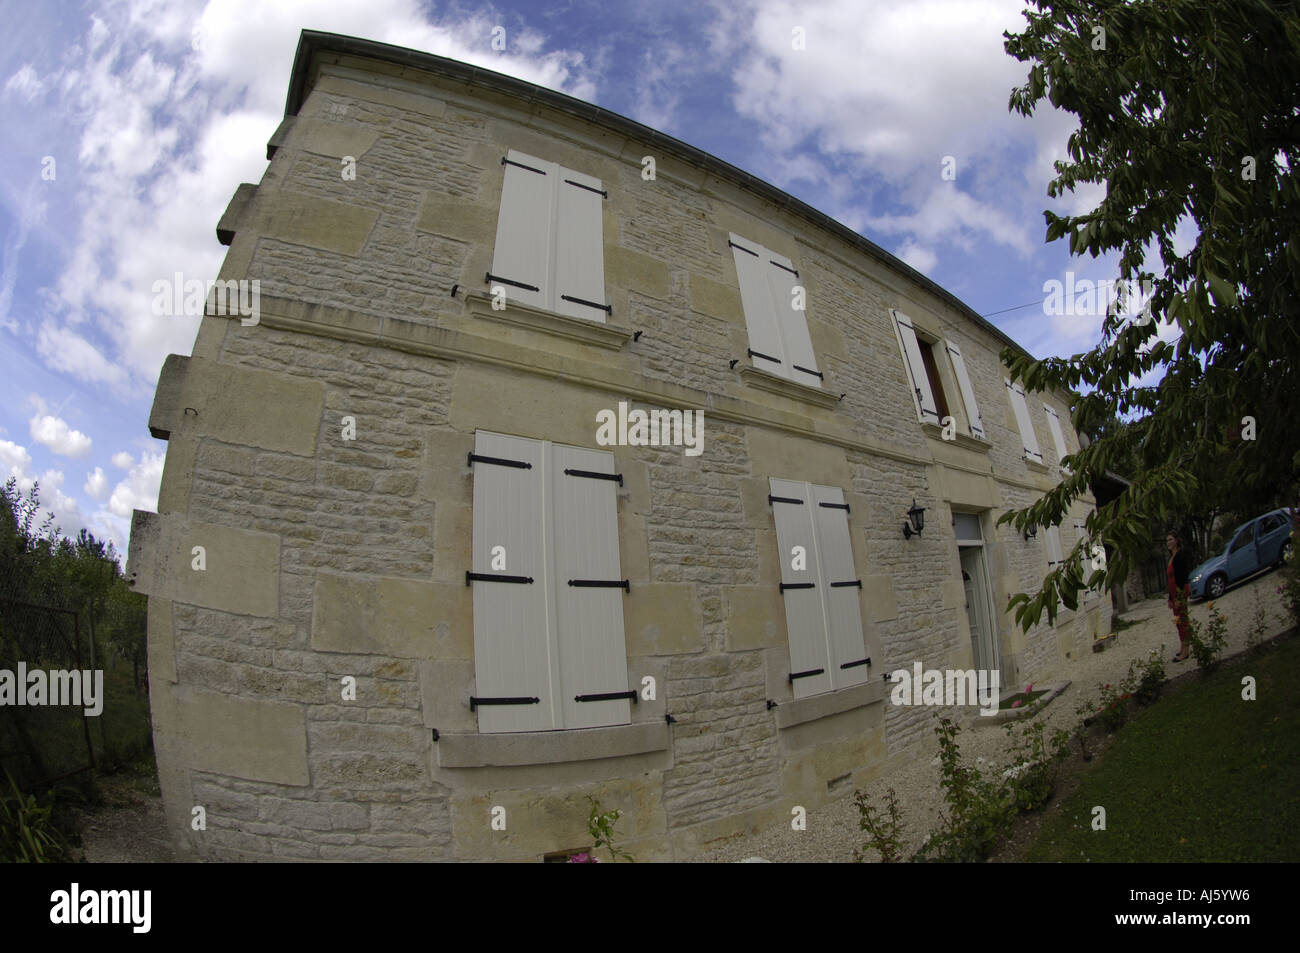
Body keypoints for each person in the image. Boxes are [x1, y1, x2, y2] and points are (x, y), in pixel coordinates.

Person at [1167, 531, 1193, 661]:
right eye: (1167, 540)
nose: (1169, 542)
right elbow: (1170, 579)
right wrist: (1170, 598)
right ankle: (1182, 645)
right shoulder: (1171, 557)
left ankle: (1186, 651)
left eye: (1171, 539)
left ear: (1176, 540)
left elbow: (1182, 577)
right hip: (1174, 593)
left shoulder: (1180, 556)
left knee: (1183, 620)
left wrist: (1178, 596)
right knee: (1178, 621)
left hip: (1180, 591)